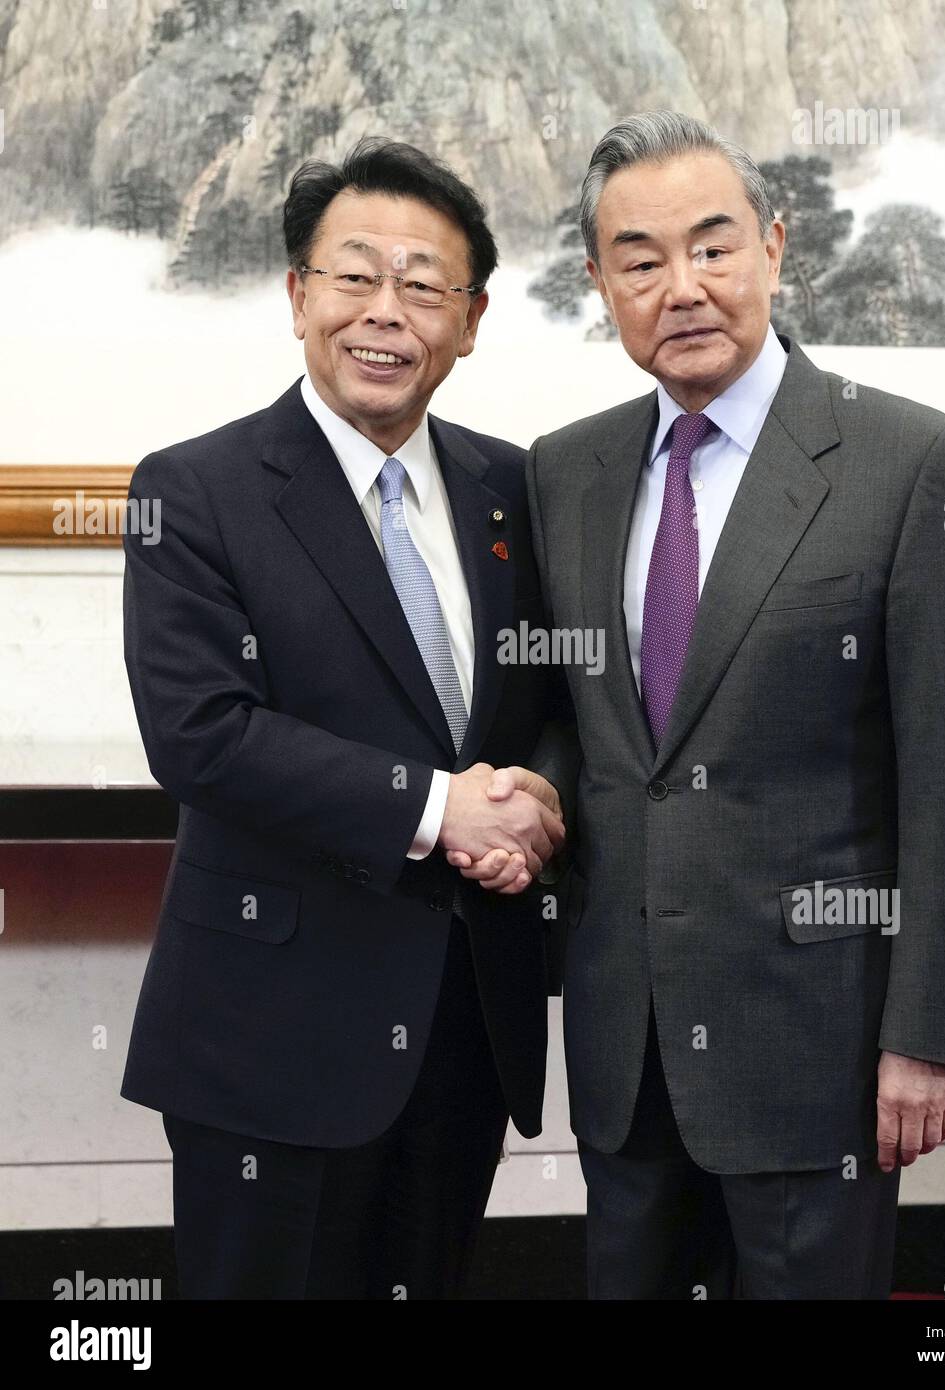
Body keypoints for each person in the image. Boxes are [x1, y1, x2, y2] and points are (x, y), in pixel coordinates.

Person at [451, 110, 945, 1299]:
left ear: (773, 244)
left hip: (818, 1043)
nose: (682, 287)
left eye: (712, 247)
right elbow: (577, 712)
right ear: (600, 284)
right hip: (624, 1036)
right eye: (640, 260)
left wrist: (926, 1037)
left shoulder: (911, 463)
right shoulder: (567, 469)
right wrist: (539, 787)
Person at [120, 136, 566, 1299]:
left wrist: (540, 796)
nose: (386, 311)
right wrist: (439, 808)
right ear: (297, 296)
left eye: (424, 285)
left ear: (468, 322)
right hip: (271, 1037)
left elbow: (558, 694)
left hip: (463, 1020)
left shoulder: (514, 488)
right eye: (354, 275)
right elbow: (201, 733)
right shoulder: (195, 490)